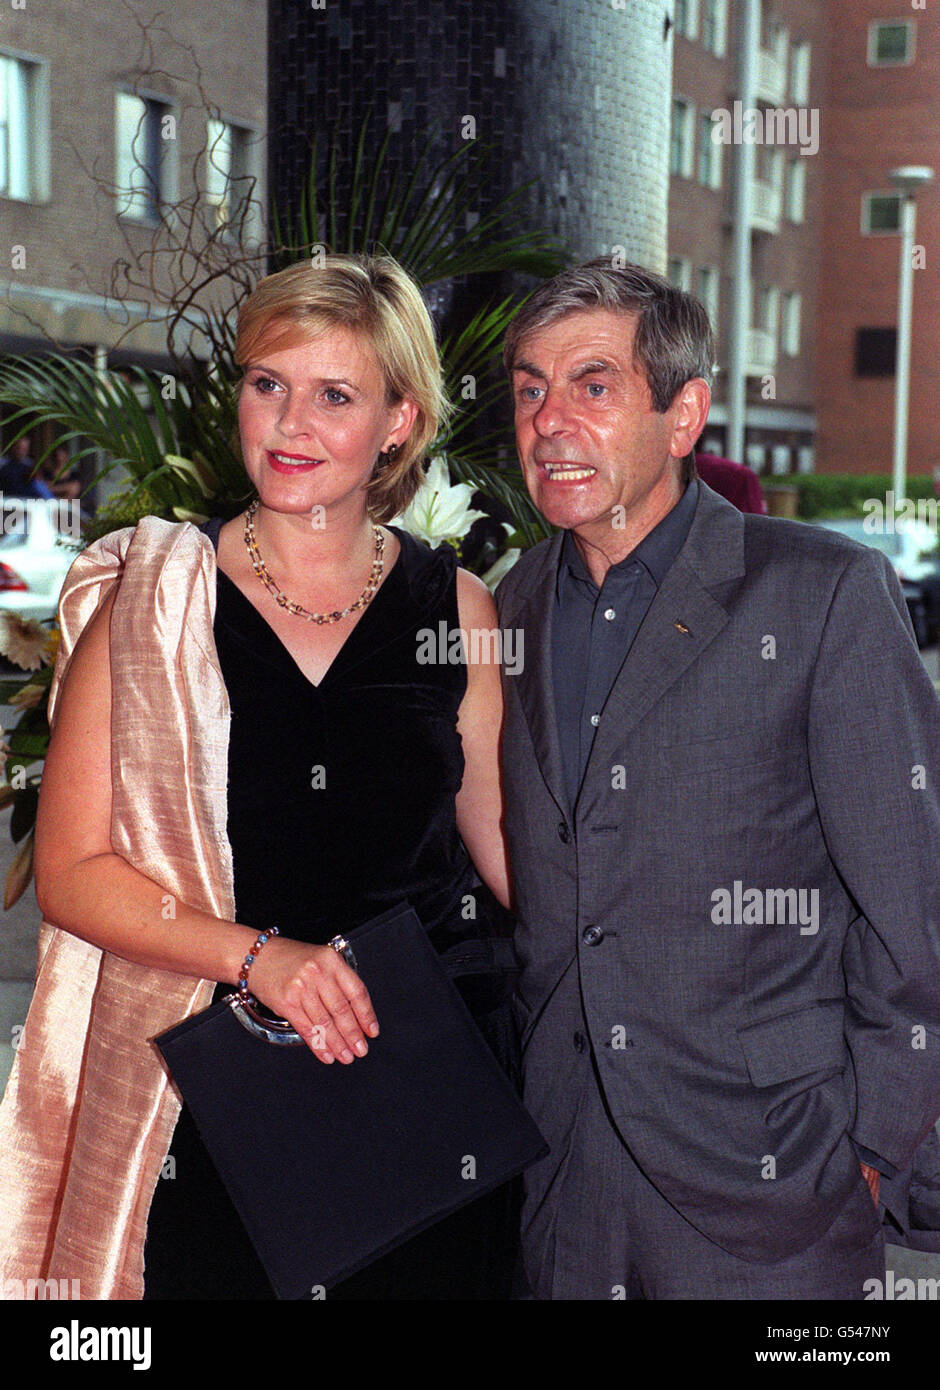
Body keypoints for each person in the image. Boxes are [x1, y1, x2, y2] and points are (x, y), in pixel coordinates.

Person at [0, 253, 516, 1300]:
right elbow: (73, 871)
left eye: (335, 396)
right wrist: (261, 959)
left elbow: (508, 846)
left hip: (421, 1081)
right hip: (212, 1095)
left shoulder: (456, 611)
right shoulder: (149, 596)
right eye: (267, 384)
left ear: (400, 422)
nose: (289, 424)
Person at [494, 257, 940, 1299]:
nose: (548, 420)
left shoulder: (820, 593)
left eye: (591, 387)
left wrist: (867, 1151)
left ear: (683, 413)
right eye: (528, 389)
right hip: (564, 1184)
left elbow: (912, 907)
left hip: (777, 1184)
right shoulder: (506, 605)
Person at [0, 434, 55, 498]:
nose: (22, 452)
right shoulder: (3, 464)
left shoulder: (30, 465)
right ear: (13, 447)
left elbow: (39, 484)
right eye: (19, 448)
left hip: (28, 498)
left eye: (25, 449)